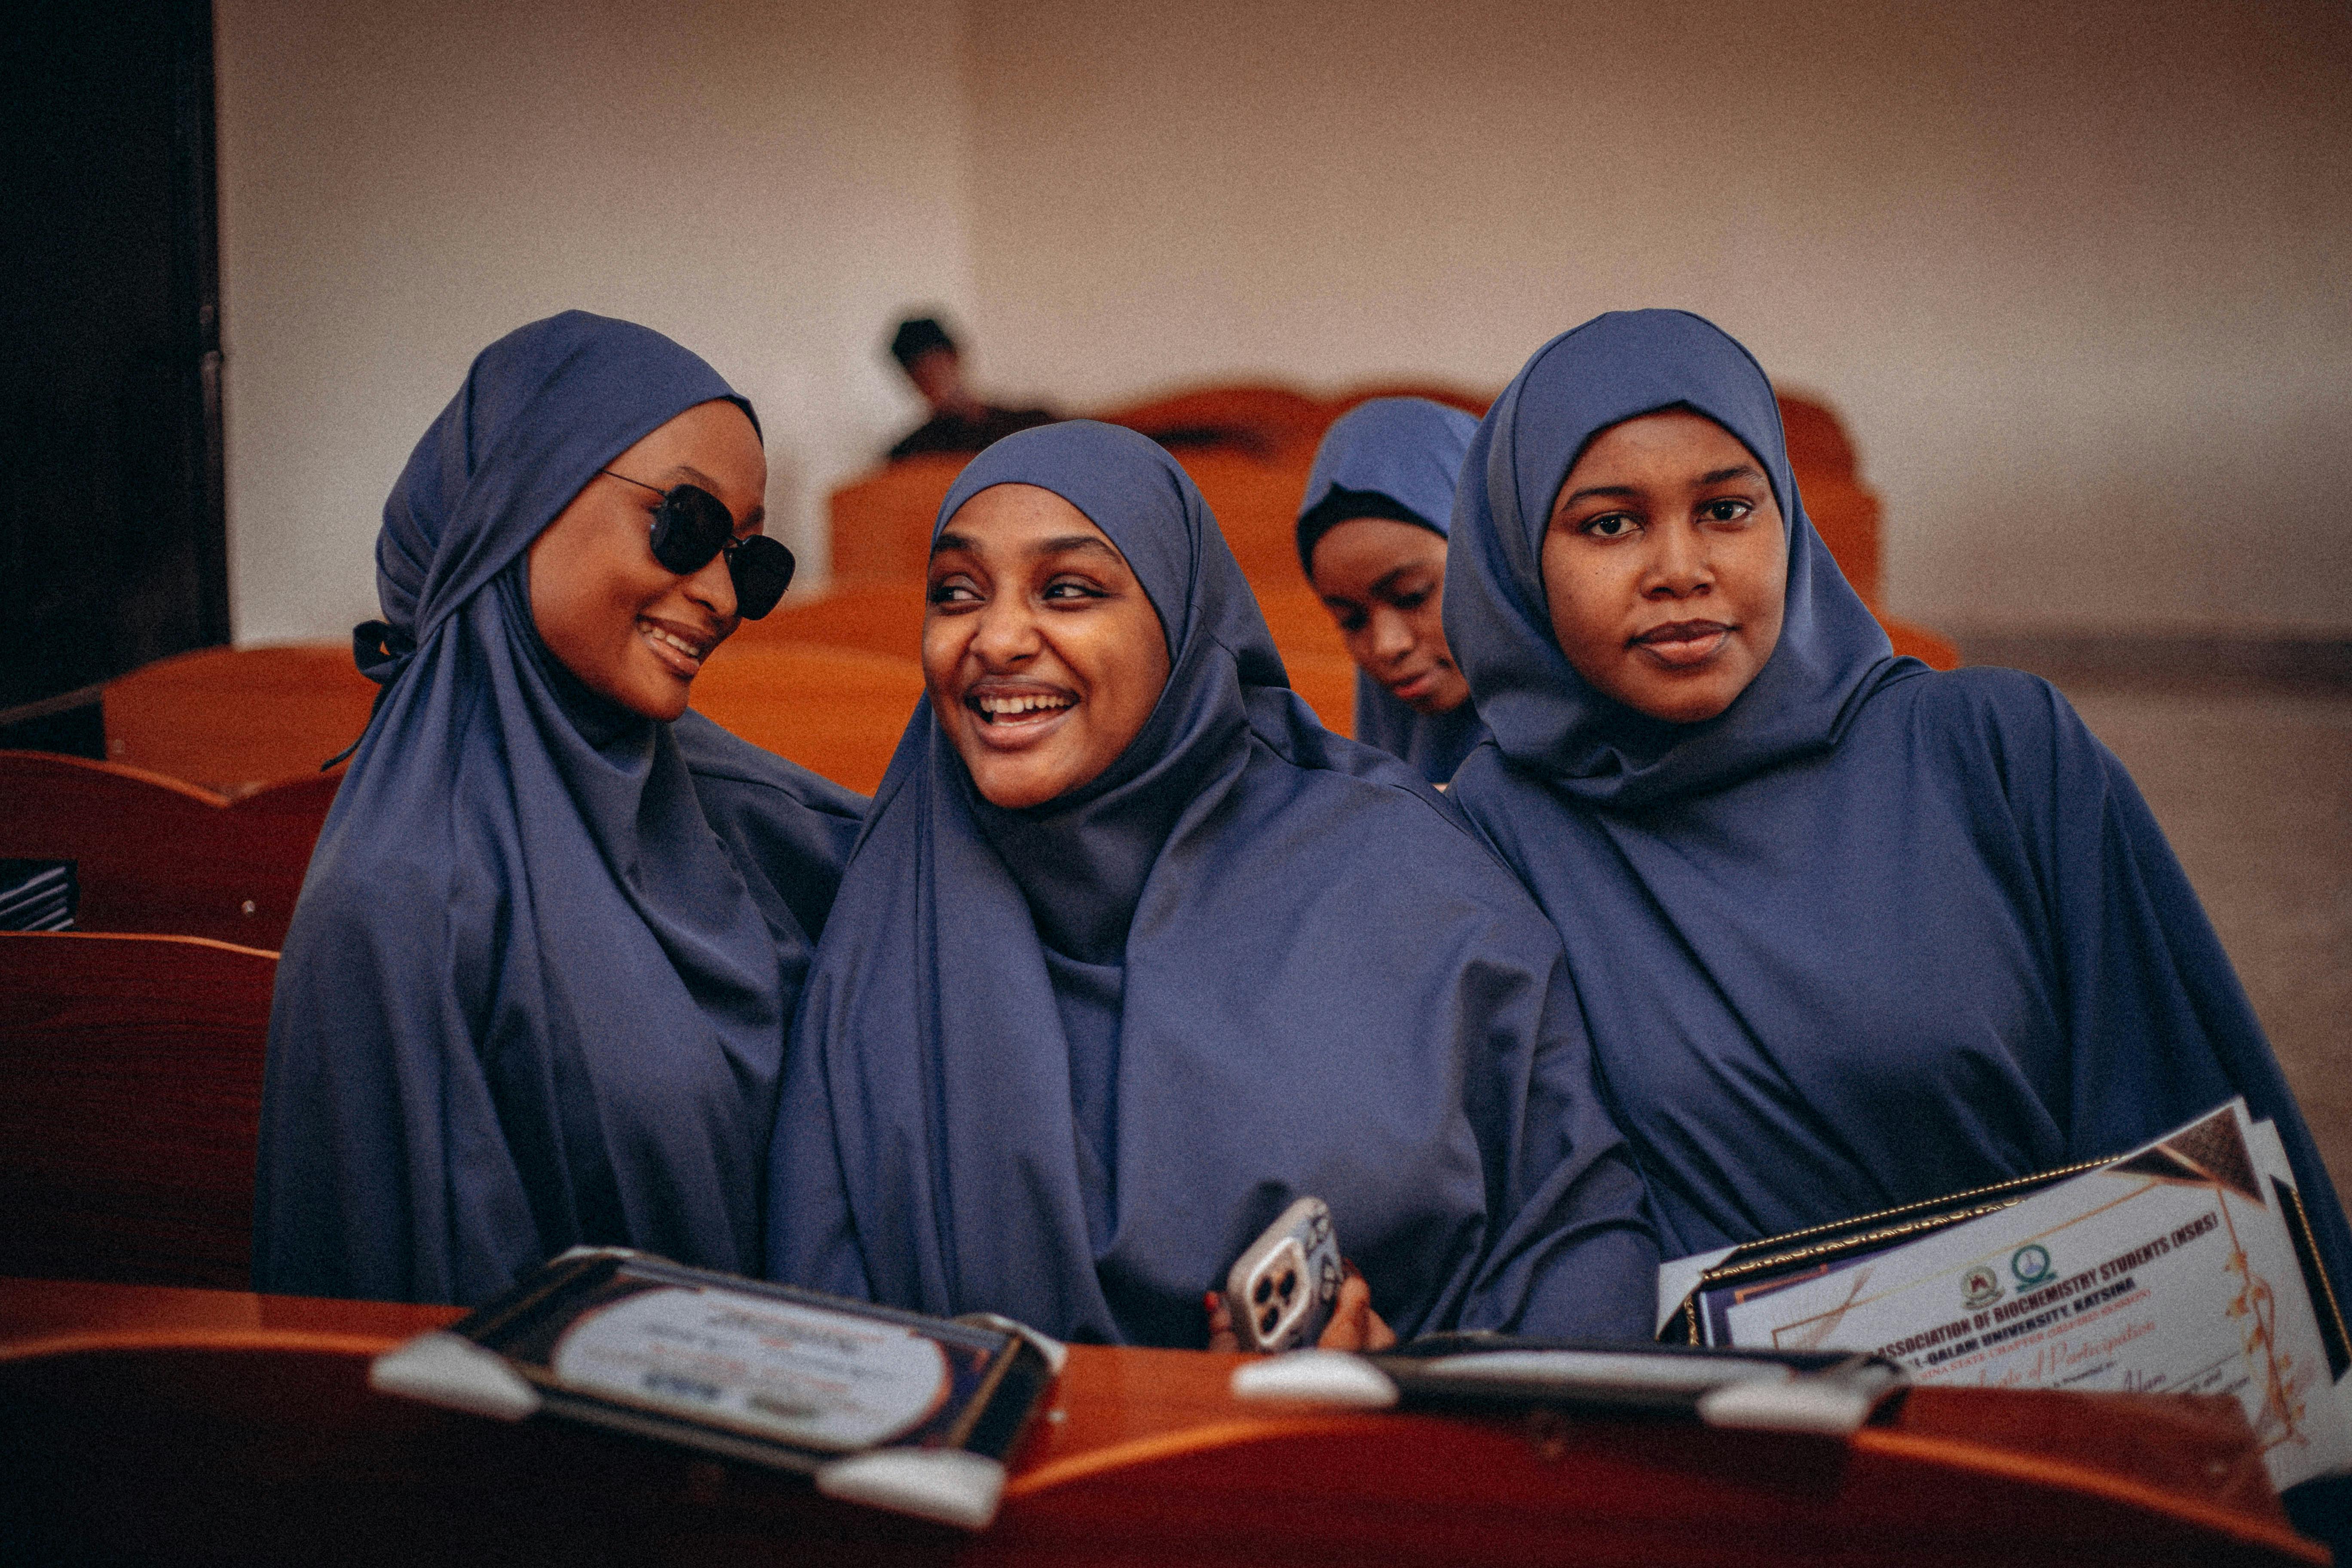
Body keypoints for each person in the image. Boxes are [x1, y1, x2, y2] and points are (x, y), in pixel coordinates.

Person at [1440, 306, 2352, 1298]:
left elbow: (2177, 1101)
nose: (1681, 571)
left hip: (2090, 1359)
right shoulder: (1497, 829)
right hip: (1715, 1390)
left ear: (1788, 520)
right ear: (1521, 560)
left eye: (1727, 510)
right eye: (1609, 525)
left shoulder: (1998, 749)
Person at [768, 420, 1656, 1348]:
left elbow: (1574, 1227)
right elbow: (813, 1315)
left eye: (1067, 590)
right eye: (957, 593)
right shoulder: (893, 902)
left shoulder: (1404, 869)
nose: (996, 639)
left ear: (1182, 621)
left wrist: (1420, 1388)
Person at [254, 311, 868, 1305]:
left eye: (751, 562)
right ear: (515, 502)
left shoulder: (718, 798)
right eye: (684, 525)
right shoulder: (404, 900)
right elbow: (417, 1335)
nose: (720, 596)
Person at [1296, 397, 1489, 784]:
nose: (1386, 646)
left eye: (1413, 596)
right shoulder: (1373, 791)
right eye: (1351, 620)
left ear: (1496, 558)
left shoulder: (1606, 768)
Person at [884, 314, 1057, 461]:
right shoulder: (911, 453)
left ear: (955, 358)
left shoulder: (1031, 425)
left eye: (936, 367)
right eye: (921, 375)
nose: (933, 382)